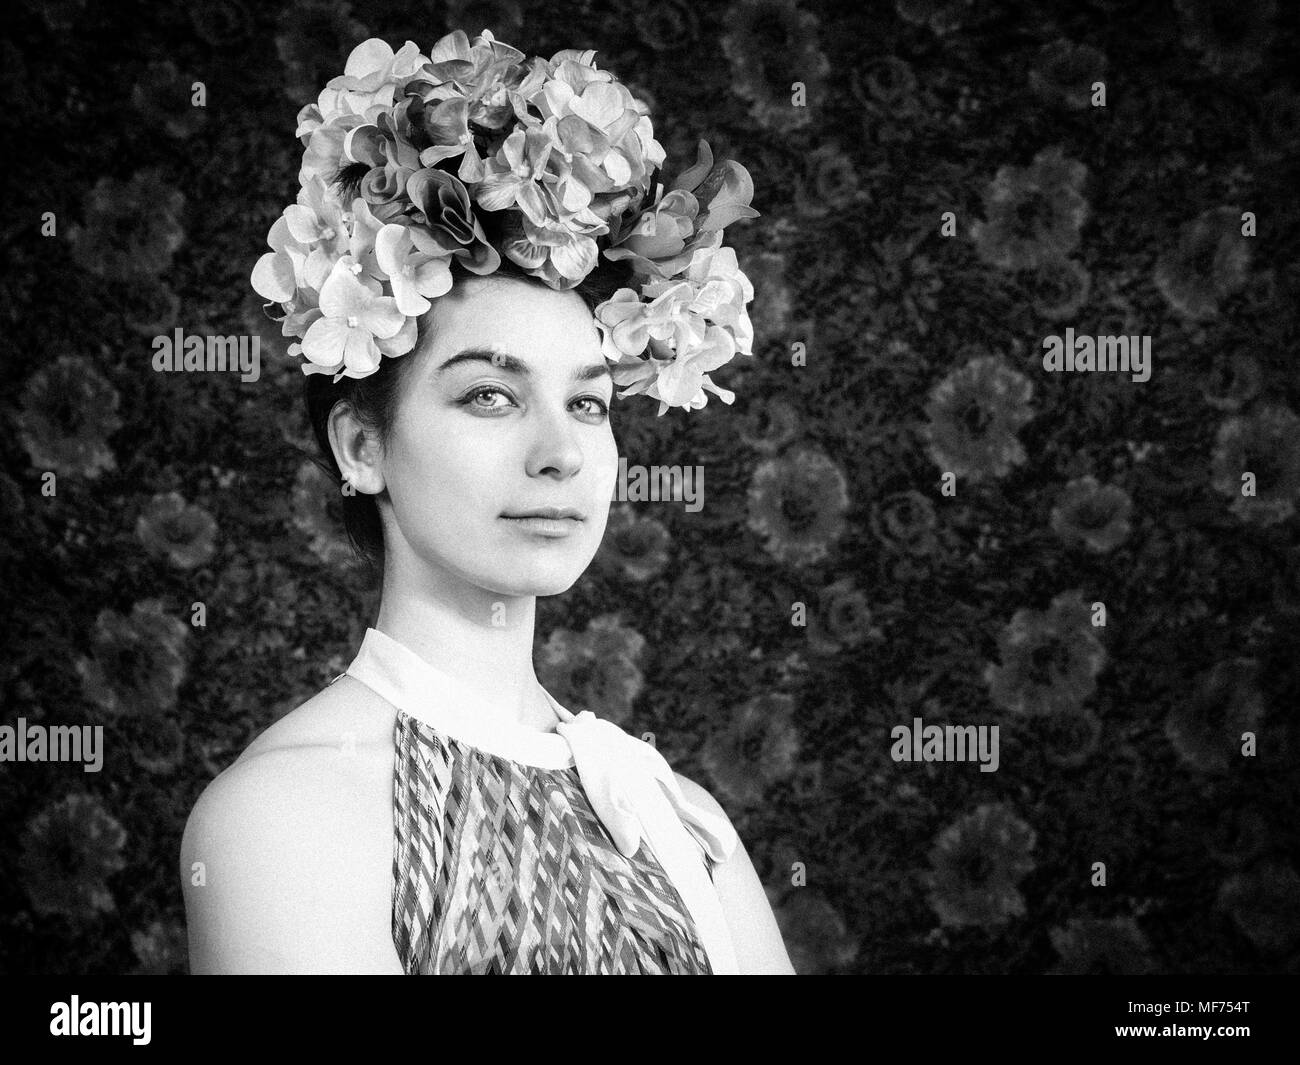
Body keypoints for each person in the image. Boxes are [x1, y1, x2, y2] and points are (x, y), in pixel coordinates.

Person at [180, 28, 793, 974]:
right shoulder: (286, 813)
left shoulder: (676, 811)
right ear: (362, 445)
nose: (560, 453)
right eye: (490, 395)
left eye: (586, 402)